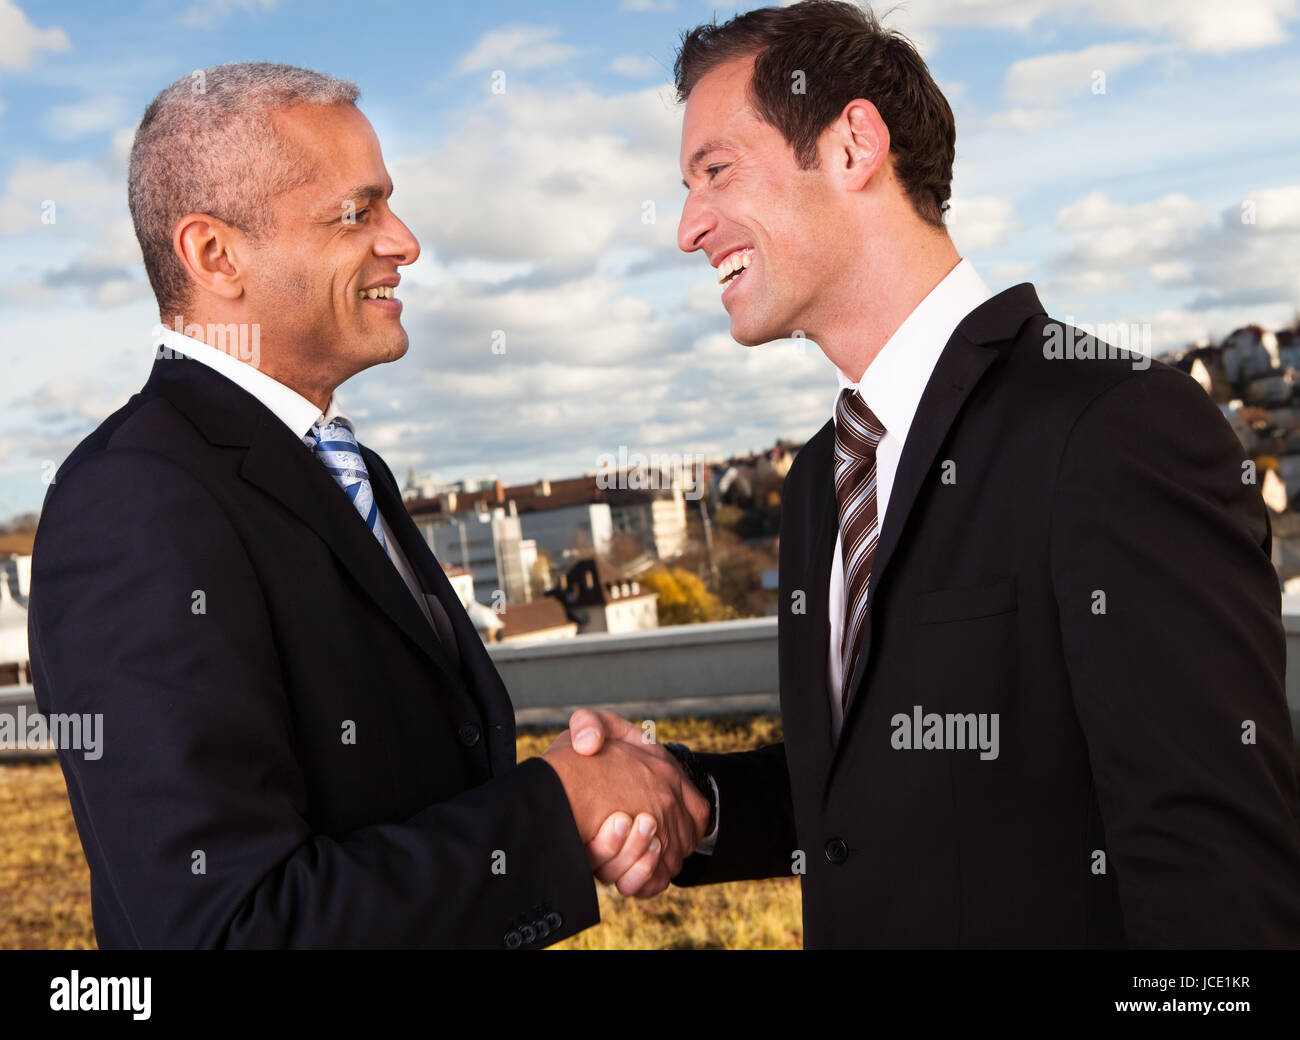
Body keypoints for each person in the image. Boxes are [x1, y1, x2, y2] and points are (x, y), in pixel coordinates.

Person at [570, 0, 1300, 946]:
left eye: (715, 171)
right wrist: (695, 801)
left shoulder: (1115, 424)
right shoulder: (817, 486)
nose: (685, 227)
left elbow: (1217, 877)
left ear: (853, 145)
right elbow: (872, 801)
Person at [27, 62, 705, 949]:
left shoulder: (343, 468)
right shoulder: (137, 503)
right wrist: (554, 812)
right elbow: (225, 929)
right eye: (358, 211)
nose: (405, 241)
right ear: (214, 255)